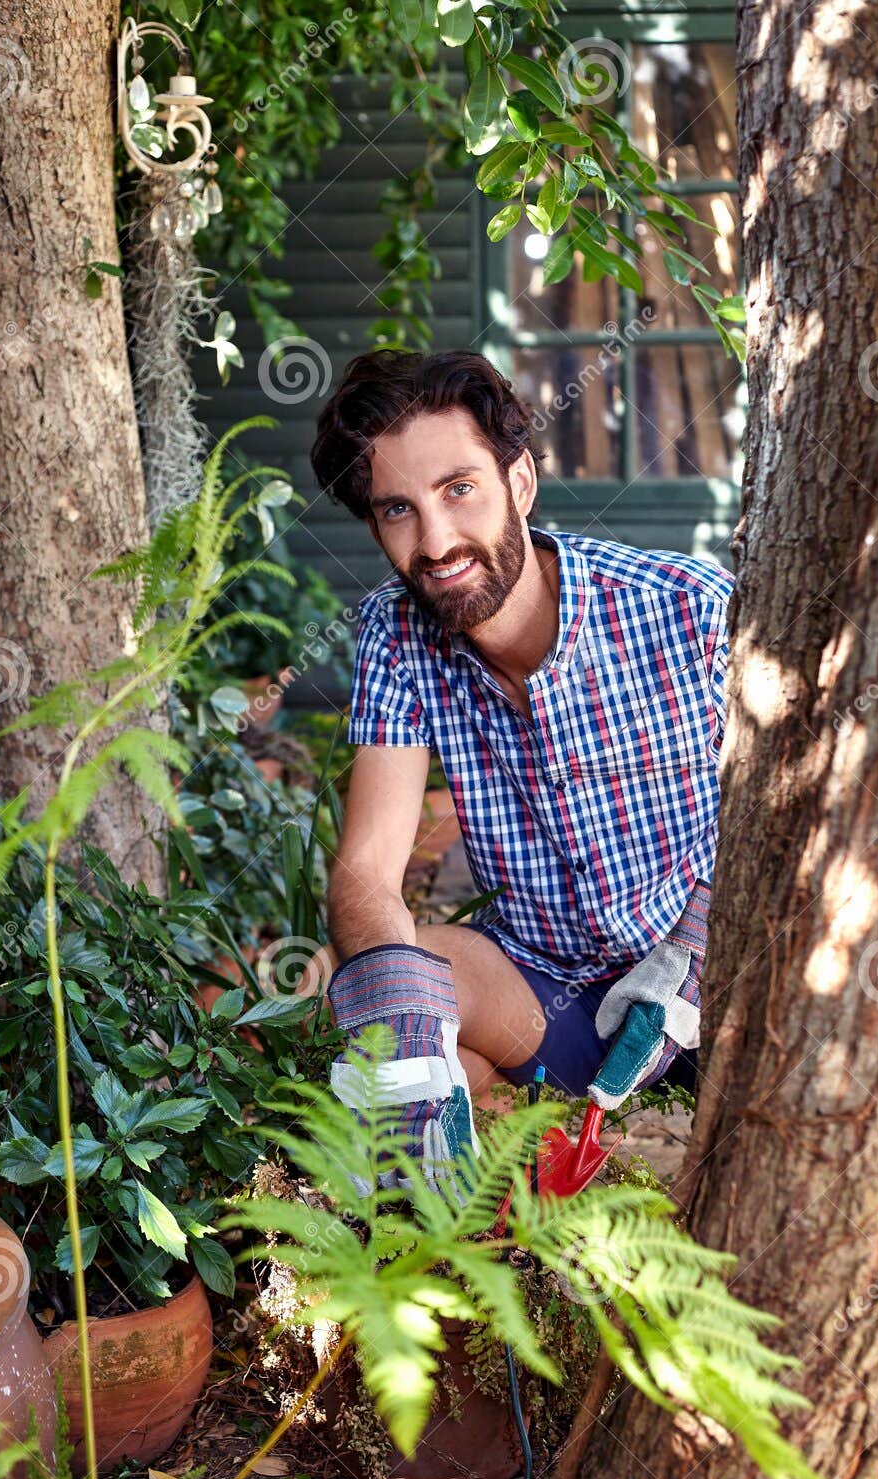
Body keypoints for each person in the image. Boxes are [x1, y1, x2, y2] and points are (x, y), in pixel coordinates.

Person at [305, 348, 732, 1190]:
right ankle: (535, 1205)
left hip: (705, 981)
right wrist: (401, 1019)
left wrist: (698, 940)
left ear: (520, 483)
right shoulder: (396, 635)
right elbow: (365, 873)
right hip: (552, 994)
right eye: (399, 509)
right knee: (393, 996)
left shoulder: (686, 607)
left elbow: (793, 814)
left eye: (458, 489)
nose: (435, 542)